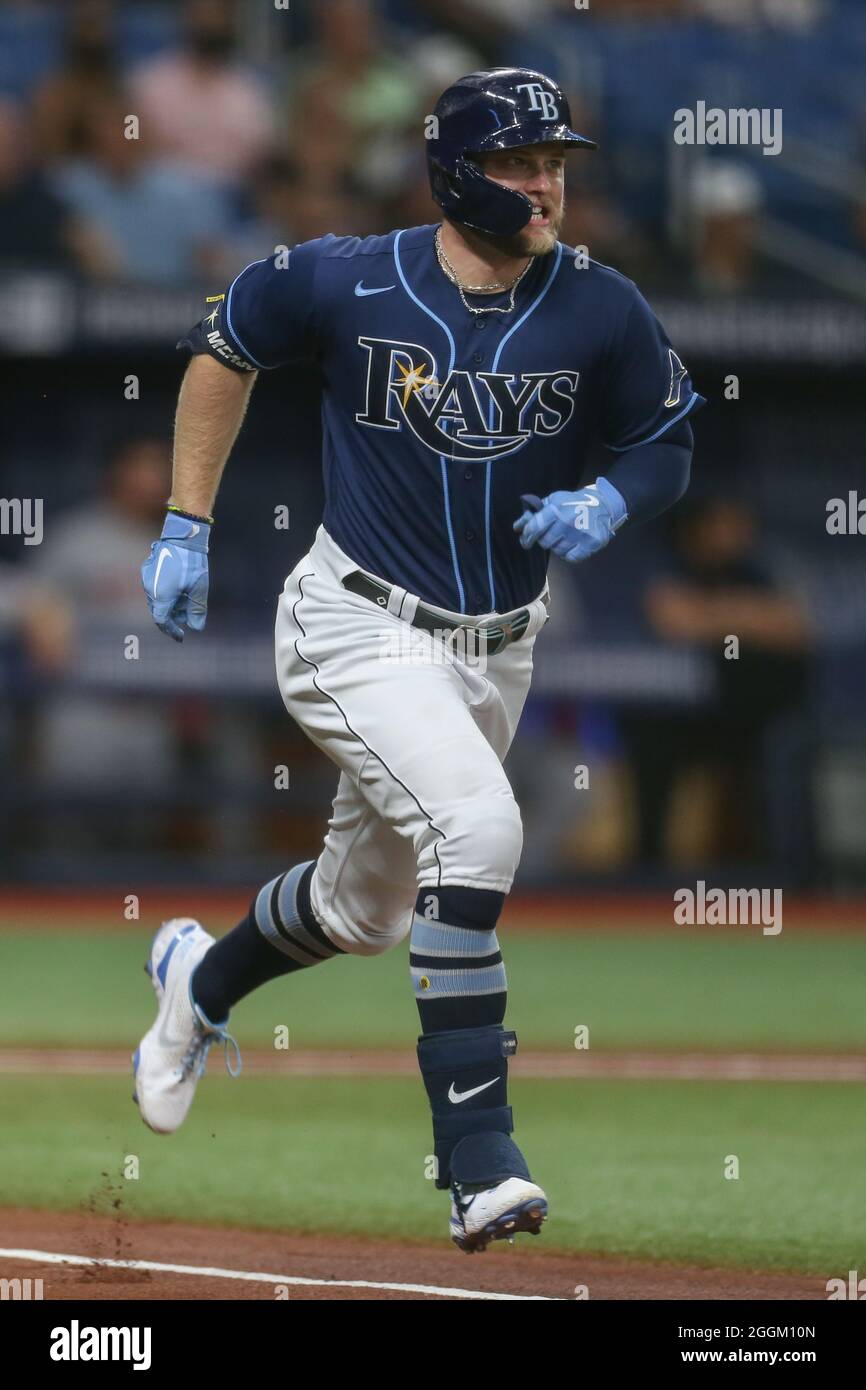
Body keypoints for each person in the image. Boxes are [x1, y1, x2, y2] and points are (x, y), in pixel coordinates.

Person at [134, 68, 704, 1253]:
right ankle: (477, 1162)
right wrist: (188, 520)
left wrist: (611, 494)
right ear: (453, 170)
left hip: (494, 650)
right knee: (481, 830)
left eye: (555, 162)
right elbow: (222, 341)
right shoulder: (343, 275)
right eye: (519, 161)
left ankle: (196, 979)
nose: (546, 181)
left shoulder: (598, 303)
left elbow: (664, 440)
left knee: (362, 910)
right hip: (353, 620)